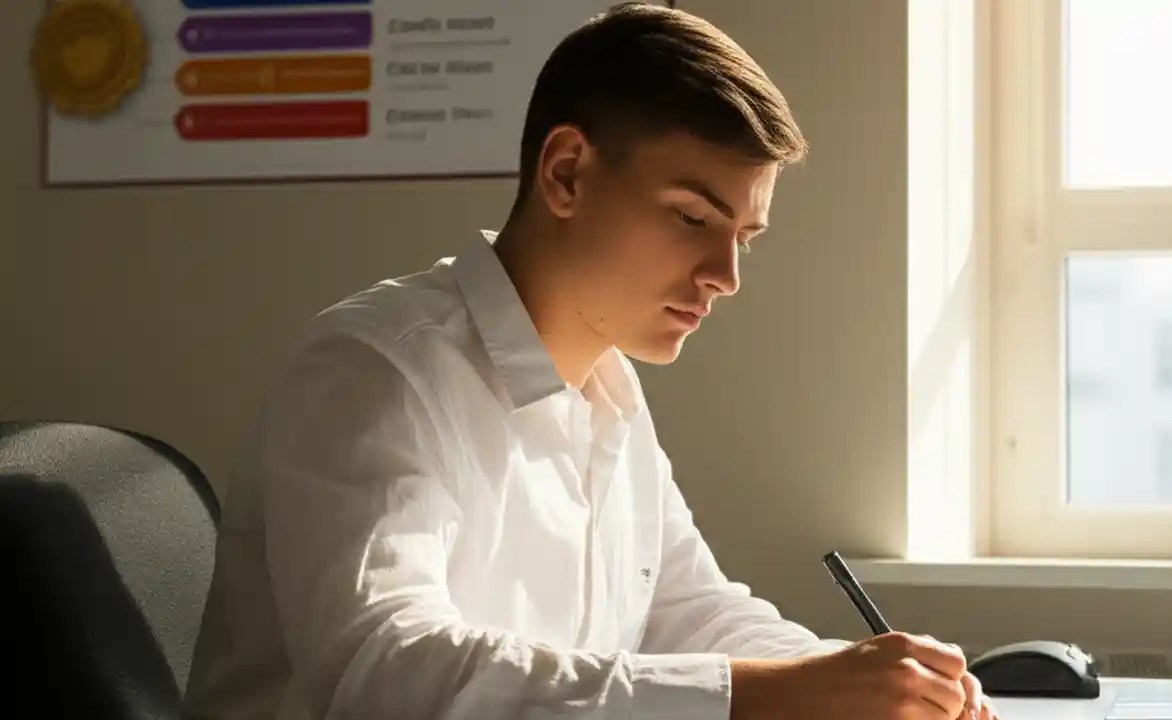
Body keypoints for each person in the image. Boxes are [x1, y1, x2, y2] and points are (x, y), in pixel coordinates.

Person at [184, 4, 998, 720]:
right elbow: (386, 671)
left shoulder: (607, 385)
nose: (726, 275)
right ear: (566, 173)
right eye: (691, 217)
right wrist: (778, 696)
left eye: (743, 237)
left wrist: (870, 684)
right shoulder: (375, 370)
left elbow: (688, 607)